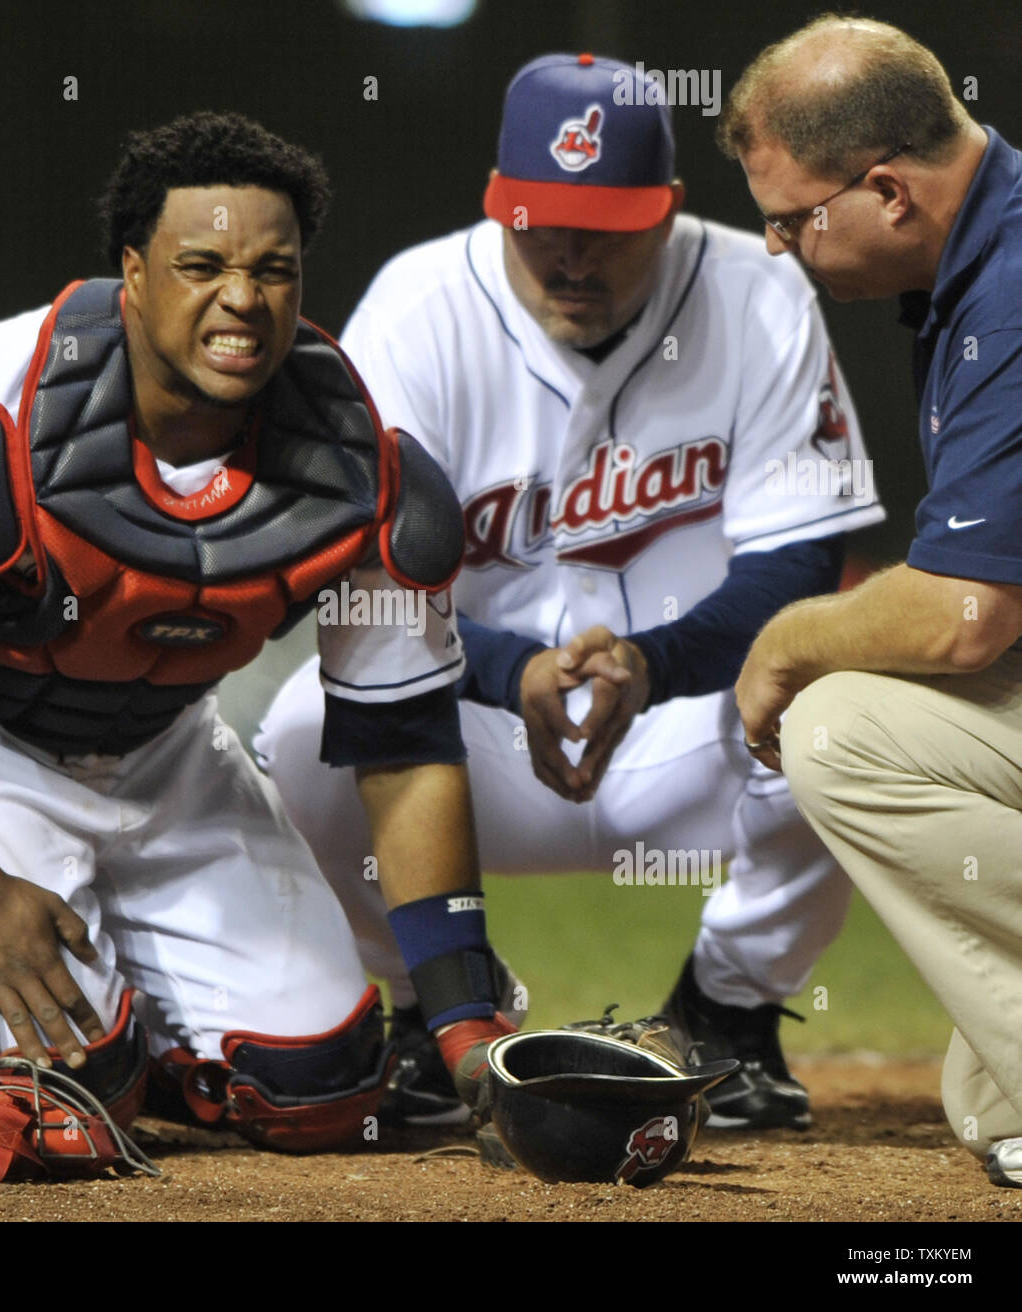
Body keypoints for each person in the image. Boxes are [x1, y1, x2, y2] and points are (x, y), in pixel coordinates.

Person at [0, 111, 497, 1162]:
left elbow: (406, 742)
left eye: (273, 269)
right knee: (42, 1105)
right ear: (134, 273)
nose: (242, 297)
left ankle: (106, 1008)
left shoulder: (357, 466)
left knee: (321, 1088)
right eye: (203, 264)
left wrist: (464, 1014)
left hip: (163, 744)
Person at [256, 52, 885, 1129]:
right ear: (498, 201)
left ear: (670, 212)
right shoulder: (418, 305)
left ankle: (726, 1014)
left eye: (606, 222)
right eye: (540, 218)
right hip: (467, 745)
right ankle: (429, 1011)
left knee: (850, 709)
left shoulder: (758, 291)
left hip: (694, 728)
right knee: (305, 726)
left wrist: (655, 663)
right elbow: (361, 580)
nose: (569, 252)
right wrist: (503, 669)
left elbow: (800, 570)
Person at [721, 16, 1022, 1188]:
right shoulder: (976, 262)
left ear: (887, 191)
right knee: (982, 1089)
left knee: (837, 729)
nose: (781, 241)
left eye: (796, 215)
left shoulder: (1008, 288)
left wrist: (787, 640)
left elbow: (964, 615)